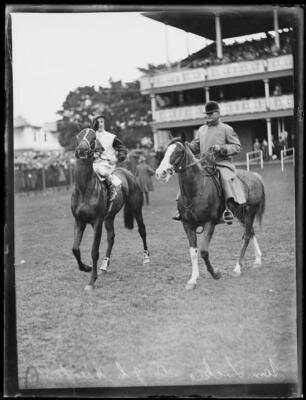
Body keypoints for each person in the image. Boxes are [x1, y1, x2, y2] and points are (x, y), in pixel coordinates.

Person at [172, 100, 246, 224]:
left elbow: (237, 147)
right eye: (206, 114)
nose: (208, 116)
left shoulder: (226, 129)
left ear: (218, 113)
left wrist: (221, 148)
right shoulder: (201, 129)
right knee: (187, 179)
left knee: (224, 178)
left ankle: (228, 210)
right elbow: (195, 147)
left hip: (221, 164)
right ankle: (180, 209)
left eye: (211, 113)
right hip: (203, 164)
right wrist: (187, 145)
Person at [91, 115, 128, 201]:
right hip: (94, 163)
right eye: (97, 122)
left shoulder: (111, 137)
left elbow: (123, 149)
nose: (100, 124)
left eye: (101, 122)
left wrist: (117, 159)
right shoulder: (90, 138)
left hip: (107, 164)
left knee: (100, 169)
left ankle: (112, 188)